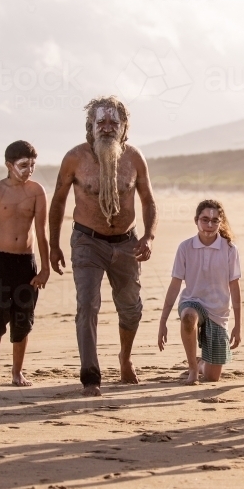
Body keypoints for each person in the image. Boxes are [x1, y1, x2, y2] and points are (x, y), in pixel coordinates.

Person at [49, 96, 157, 397]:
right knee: (87, 304)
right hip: (87, 241)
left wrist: (148, 237)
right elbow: (57, 202)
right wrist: (53, 245)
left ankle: (124, 358)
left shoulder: (134, 159)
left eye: (114, 123)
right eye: (101, 122)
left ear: (124, 128)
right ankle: (90, 374)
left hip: (126, 243)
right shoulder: (75, 159)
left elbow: (148, 201)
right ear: (91, 126)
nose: (107, 128)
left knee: (131, 309)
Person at [0, 140, 50, 387]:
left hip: (26, 263)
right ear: (9, 165)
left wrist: (46, 268)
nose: (29, 170)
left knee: (23, 317)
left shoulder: (37, 192)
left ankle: (17, 372)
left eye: (32, 165)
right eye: (23, 165)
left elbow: (41, 233)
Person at [157, 200, 242, 385]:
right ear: (196, 220)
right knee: (188, 316)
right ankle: (193, 370)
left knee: (212, 377)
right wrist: (162, 321)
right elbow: (175, 285)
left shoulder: (229, 249)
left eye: (214, 220)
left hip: (218, 312)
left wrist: (238, 325)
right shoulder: (185, 247)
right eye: (205, 219)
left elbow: (235, 288)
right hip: (193, 302)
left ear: (221, 222)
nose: (209, 225)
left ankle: (201, 363)